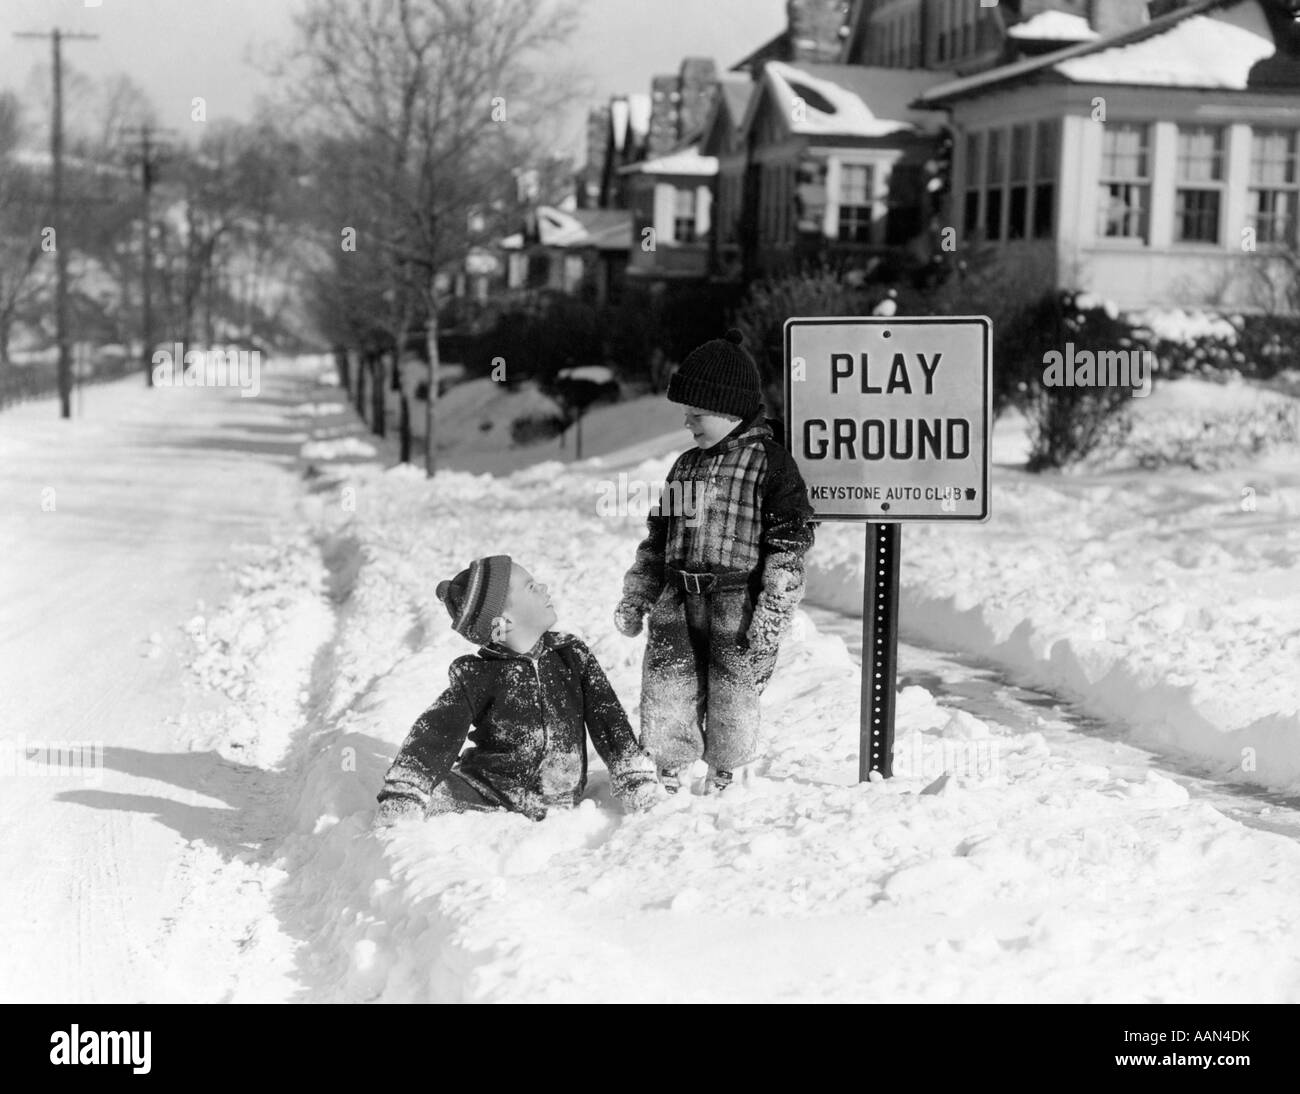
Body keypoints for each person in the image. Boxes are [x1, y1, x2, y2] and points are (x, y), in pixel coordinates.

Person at [615, 329, 815, 794]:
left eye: (697, 413)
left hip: (735, 601)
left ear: (732, 409)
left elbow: (789, 542)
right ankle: (667, 765)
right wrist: (638, 594)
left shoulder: (771, 464)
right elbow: (658, 538)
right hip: (675, 598)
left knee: (733, 692)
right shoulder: (685, 465)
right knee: (667, 685)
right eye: (686, 413)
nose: (688, 423)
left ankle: (725, 770)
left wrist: (772, 612)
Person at [376, 555, 664, 826]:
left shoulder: (571, 655)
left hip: (560, 793)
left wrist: (633, 774)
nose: (544, 588)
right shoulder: (477, 674)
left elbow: (607, 717)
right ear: (503, 621)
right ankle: (407, 795)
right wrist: (408, 788)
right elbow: (437, 731)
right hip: (490, 791)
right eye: (531, 587)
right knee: (435, 795)